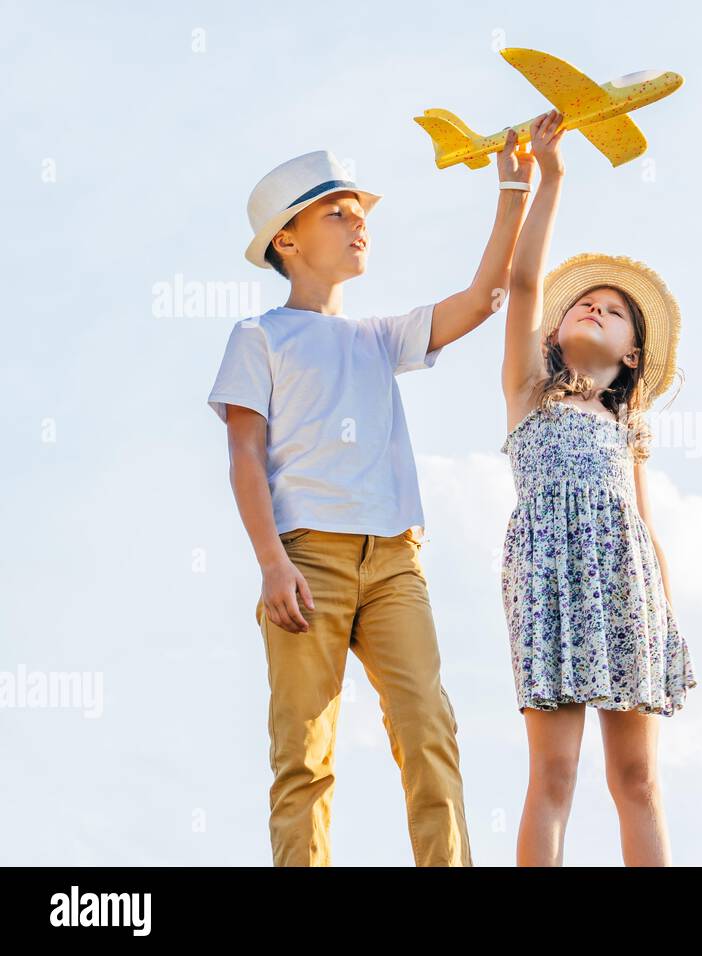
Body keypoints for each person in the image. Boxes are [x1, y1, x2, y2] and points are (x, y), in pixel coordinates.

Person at [206, 140, 533, 865]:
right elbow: (243, 456)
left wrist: (513, 189)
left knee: (428, 733)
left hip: (394, 565)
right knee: (304, 755)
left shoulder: (379, 338)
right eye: (337, 212)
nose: (360, 225)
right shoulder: (259, 337)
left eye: (362, 214)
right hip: (304, 563)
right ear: (285, 240)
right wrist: (271, 564)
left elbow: (483, 299)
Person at [498, 110, 698, 866]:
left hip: (627, 588)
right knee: (553, 772)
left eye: (613, 312)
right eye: (585, 303)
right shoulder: (527, 391)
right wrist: (543, 178)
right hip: (548, 578)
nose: (594, 308)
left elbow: (647, 529)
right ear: (555, 334)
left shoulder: (627, 433)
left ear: (632, 353)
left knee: (638, 777)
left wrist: (669, 619)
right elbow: (521, 282)